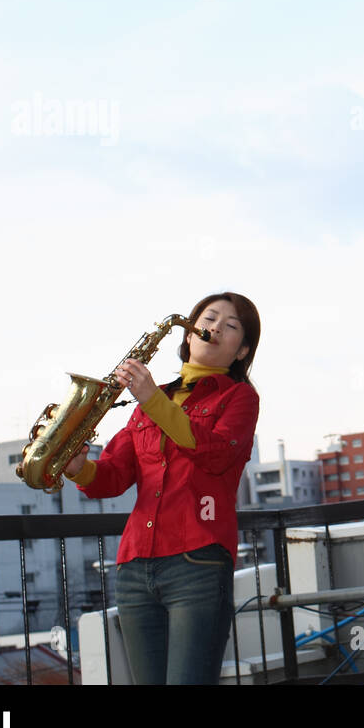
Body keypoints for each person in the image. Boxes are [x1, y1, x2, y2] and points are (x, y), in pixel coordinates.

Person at [64, 292, 260, 684]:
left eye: (231, 325)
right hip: (134, 567)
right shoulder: (147, 405)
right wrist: (78, 467)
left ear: (242, 352)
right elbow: (114, 476)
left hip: (198, 564)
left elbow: (217, 453)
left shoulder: (239, 397)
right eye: (209, 317)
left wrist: (153, 399)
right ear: (188, 334)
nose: (216, 326)